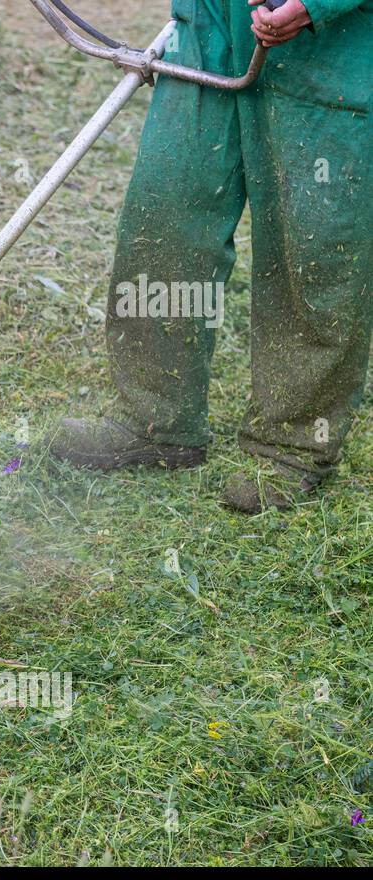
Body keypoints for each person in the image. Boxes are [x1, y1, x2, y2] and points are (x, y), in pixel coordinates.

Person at [48, 0, 373, 512]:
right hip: (211, 29)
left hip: (337, 48)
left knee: (313, 250)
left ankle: (292, 443)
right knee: (166, 215)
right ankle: (155, 418)